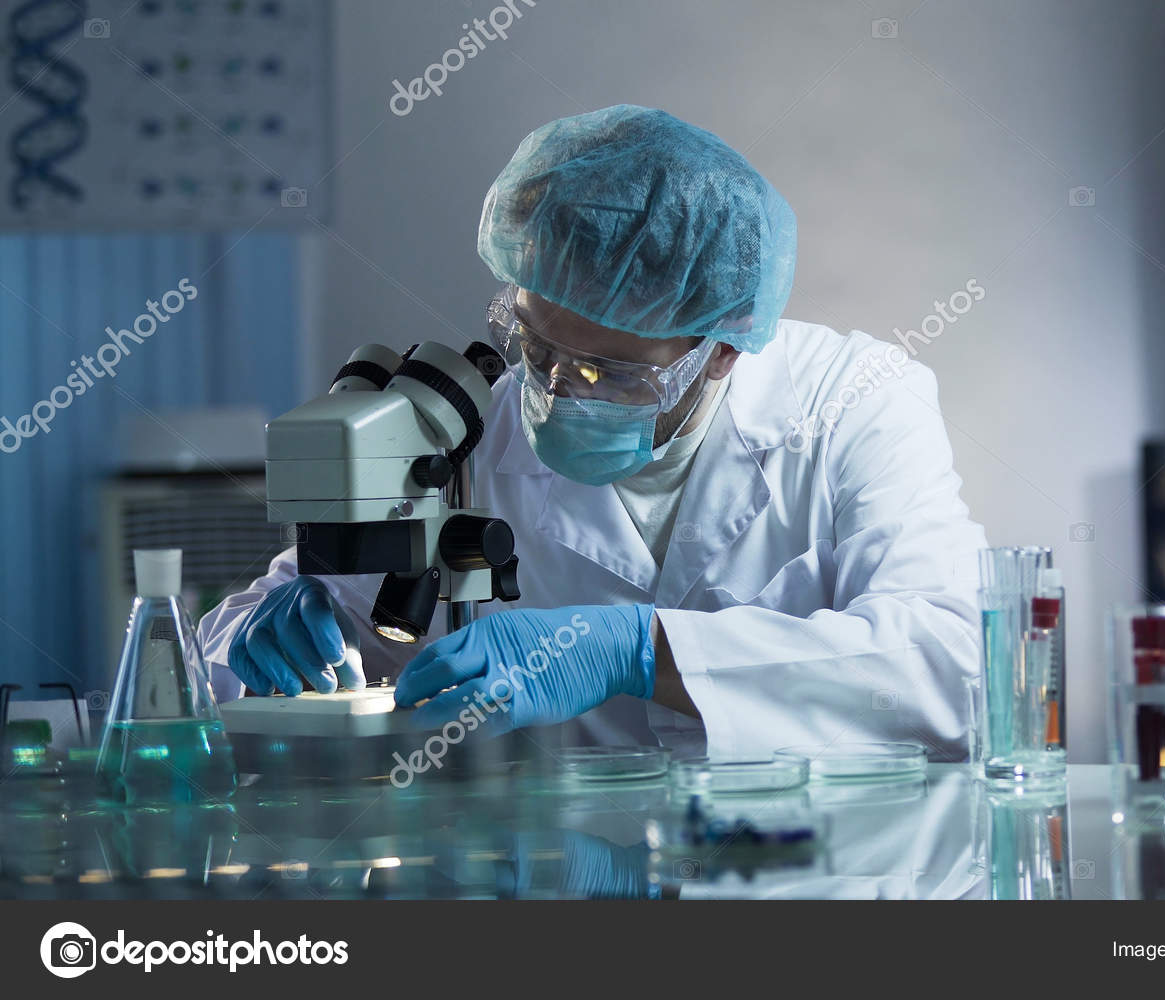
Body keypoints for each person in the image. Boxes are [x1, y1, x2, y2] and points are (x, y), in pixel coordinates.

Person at [197, 105, 986, 759]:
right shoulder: (468, 436)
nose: (552, 390)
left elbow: (946, 672)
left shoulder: (855, 403)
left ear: (719, 352)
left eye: (608, 370)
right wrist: (255, 642)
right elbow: (229, 654)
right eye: (535, 345)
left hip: (814, 869)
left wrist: (638, 651)